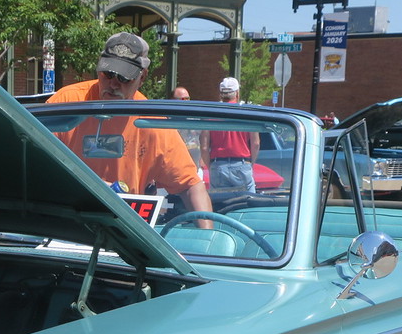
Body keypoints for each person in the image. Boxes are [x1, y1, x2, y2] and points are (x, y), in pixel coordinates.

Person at [46, 32, 212, 216]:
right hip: (66, 221)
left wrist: (208, 236)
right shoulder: (67, 103)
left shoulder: (151, 122)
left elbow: (191, 186)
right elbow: (35, 162)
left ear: (142, 77)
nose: (113, 84)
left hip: (123, 229)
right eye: (108, 74)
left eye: (124, 78)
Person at [199, 77, 259, 196]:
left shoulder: (211, 115)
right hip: (242, 164)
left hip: (218, 165)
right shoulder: (247, 115)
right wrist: (249, 163)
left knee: (220, 205)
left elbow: (204, 147)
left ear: (221, 94)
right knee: (248, 202)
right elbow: (256, 143)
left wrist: (211, 165)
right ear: (237, 93)